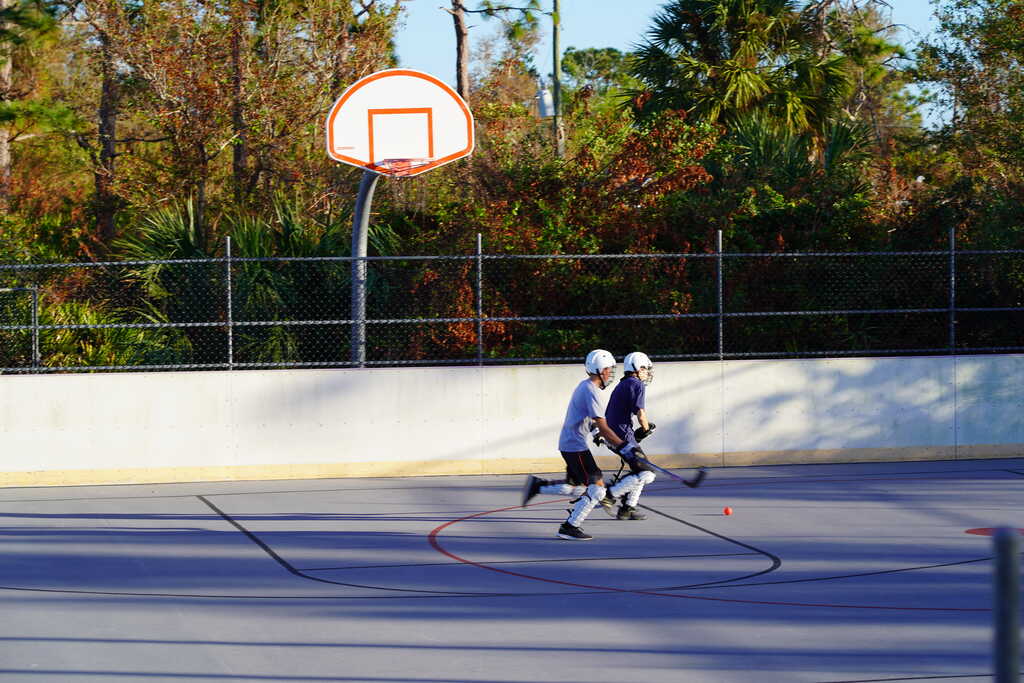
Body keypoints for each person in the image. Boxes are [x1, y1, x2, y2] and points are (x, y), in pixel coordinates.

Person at [519, 349, 639, 541]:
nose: (610, 373)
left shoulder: (585, 386)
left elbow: (591, 421)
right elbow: (604, 426)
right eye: (608, 369)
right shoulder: (592, 392)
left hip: (572, 443)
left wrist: (595, 433)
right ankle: (570, 526)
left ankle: (538, 487)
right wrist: (625, 446)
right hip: (575, 446)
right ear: (599, 369)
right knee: (598, 489)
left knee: (578, 487)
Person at [601, 351, 658, 521]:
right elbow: (641, 414)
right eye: (645, 369)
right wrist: (646, 428)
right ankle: (610, 494)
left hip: (613, 434)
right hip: (621, 436)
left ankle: (627, 508)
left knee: (639, 471)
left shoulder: (623, 384)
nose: (647, 372)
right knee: (647, 473)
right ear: (637, 368)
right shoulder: (637, 384)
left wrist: (637, 435)